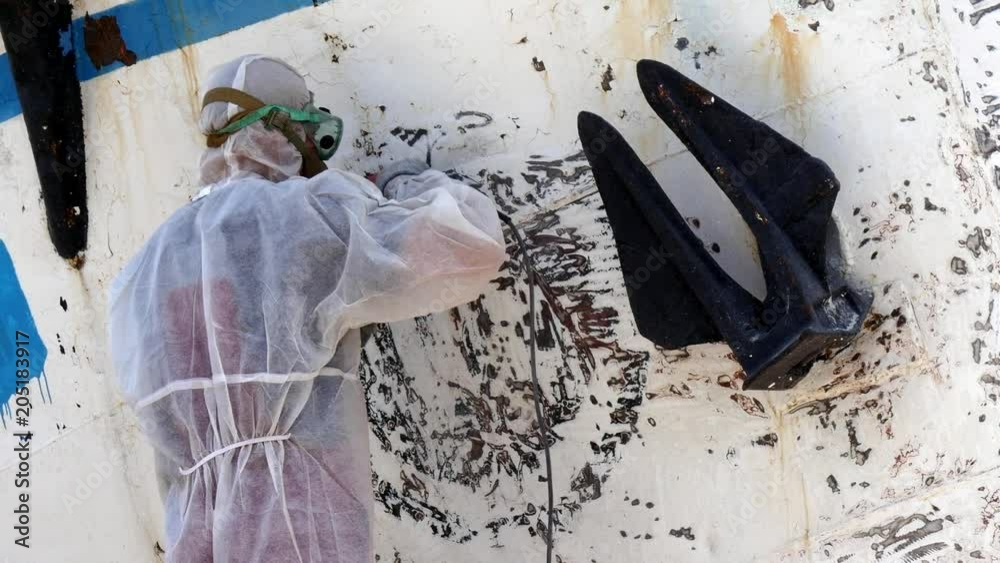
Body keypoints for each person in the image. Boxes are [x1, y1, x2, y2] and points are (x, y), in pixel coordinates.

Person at [108, 54, 507, 563]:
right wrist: (405, 183)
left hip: (196, 540)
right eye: (314, 134)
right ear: (284, 131)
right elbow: (467, 244)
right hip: (302, 529)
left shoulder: (139, 272)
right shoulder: (300, 217)